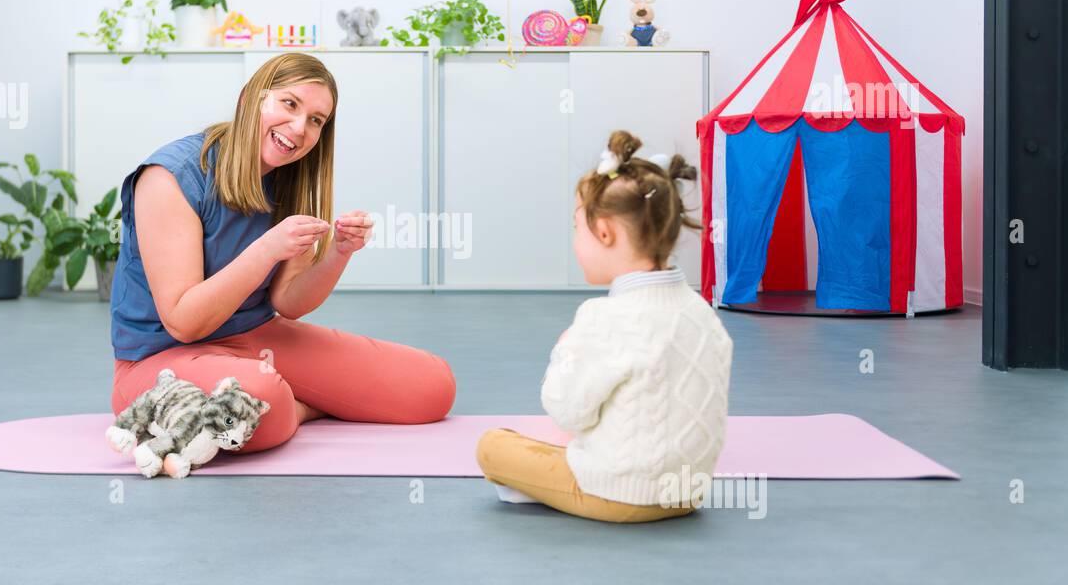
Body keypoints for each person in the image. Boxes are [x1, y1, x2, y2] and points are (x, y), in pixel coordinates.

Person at [109, 52, 456, 453]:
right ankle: (297, 405)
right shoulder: (169, 178)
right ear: (249, 99)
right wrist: (267, 249)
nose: (299, 128)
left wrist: (339, 253)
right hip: (159, 361)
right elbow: (184, 323)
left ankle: (290, 404)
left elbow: (288, 302)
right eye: (289, 104)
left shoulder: (291, 181)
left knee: (430, 386)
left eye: (315, 120)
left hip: (254, 338)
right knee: (259, 401)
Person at [476, 130, 733, 522]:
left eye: (576, 229)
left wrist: (565, 350)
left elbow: (566, 412)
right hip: (687, 494)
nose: (576, 240)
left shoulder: (603, 318)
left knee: (492, 446)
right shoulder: (702, 312)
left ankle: (550, 489)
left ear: (605, 232)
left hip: (620, 495)